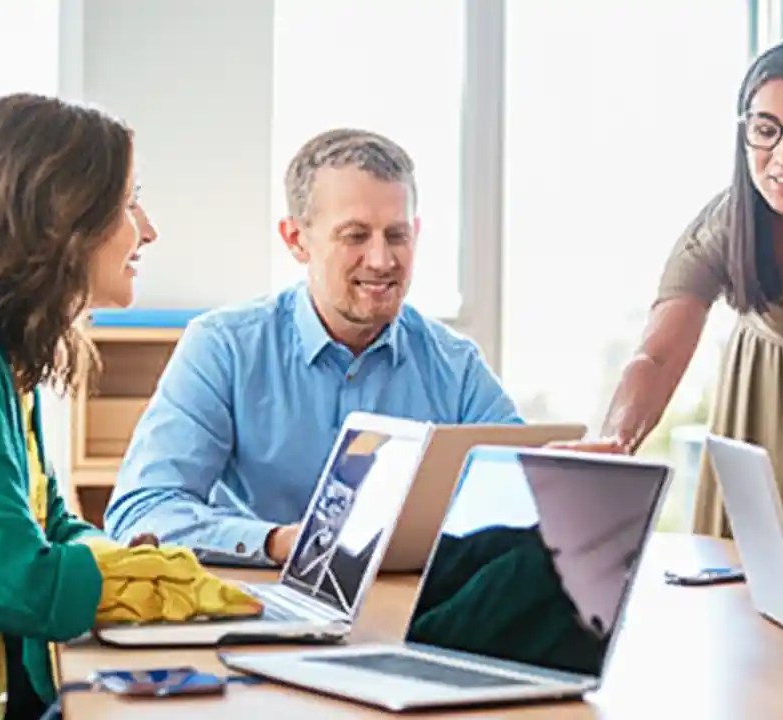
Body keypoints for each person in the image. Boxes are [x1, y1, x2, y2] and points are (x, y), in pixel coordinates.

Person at [0, 94, 259, 720]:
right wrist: (147, 583)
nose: (146, 228)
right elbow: (3, 567)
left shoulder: (5, 352)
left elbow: (48, 527)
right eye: (127, 204)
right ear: (60, 220)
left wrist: (122, 560)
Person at [104, 128, 522, 565]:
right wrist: (281, 543)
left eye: (396, 235)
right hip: (258, 606)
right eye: (355, 236)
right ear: (296, 240)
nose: (381, 260)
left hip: (399, 613)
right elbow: (141, 514)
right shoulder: (224, 348)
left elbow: (527, 494)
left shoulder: (455, 366)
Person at [563, 41, 783, 535]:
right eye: (765, 130)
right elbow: (657, 357)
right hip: (763, 428)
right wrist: (615, 444)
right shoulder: (722, 226)